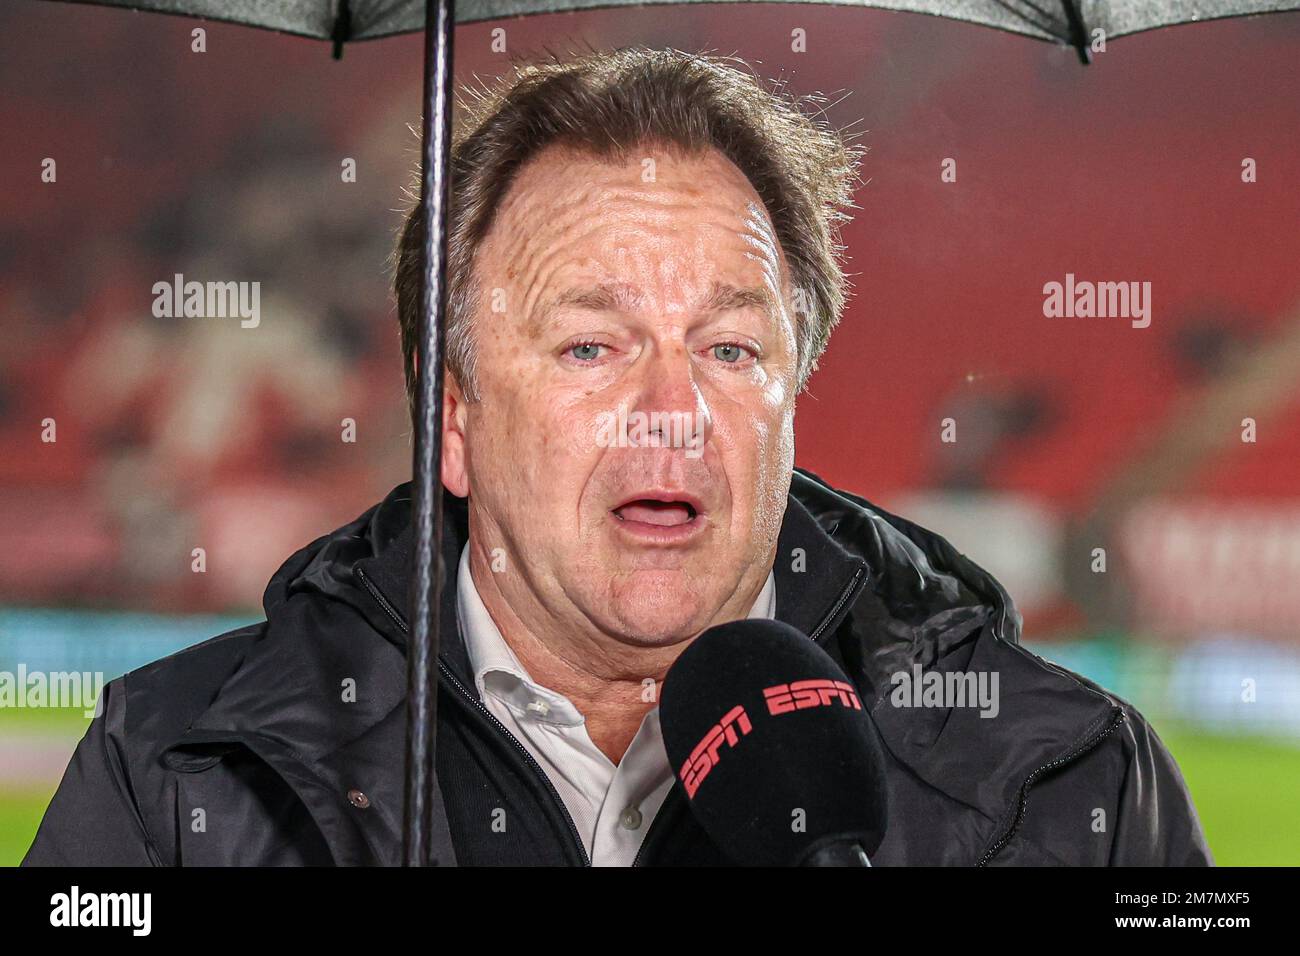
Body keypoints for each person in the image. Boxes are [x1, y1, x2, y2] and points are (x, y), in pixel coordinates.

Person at [23, 48, 1211, 866]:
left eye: (731, 347)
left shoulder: (1067, 781)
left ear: (794, 391)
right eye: (591, 343)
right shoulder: (177, 774)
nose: (672, 411)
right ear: (455, 418)